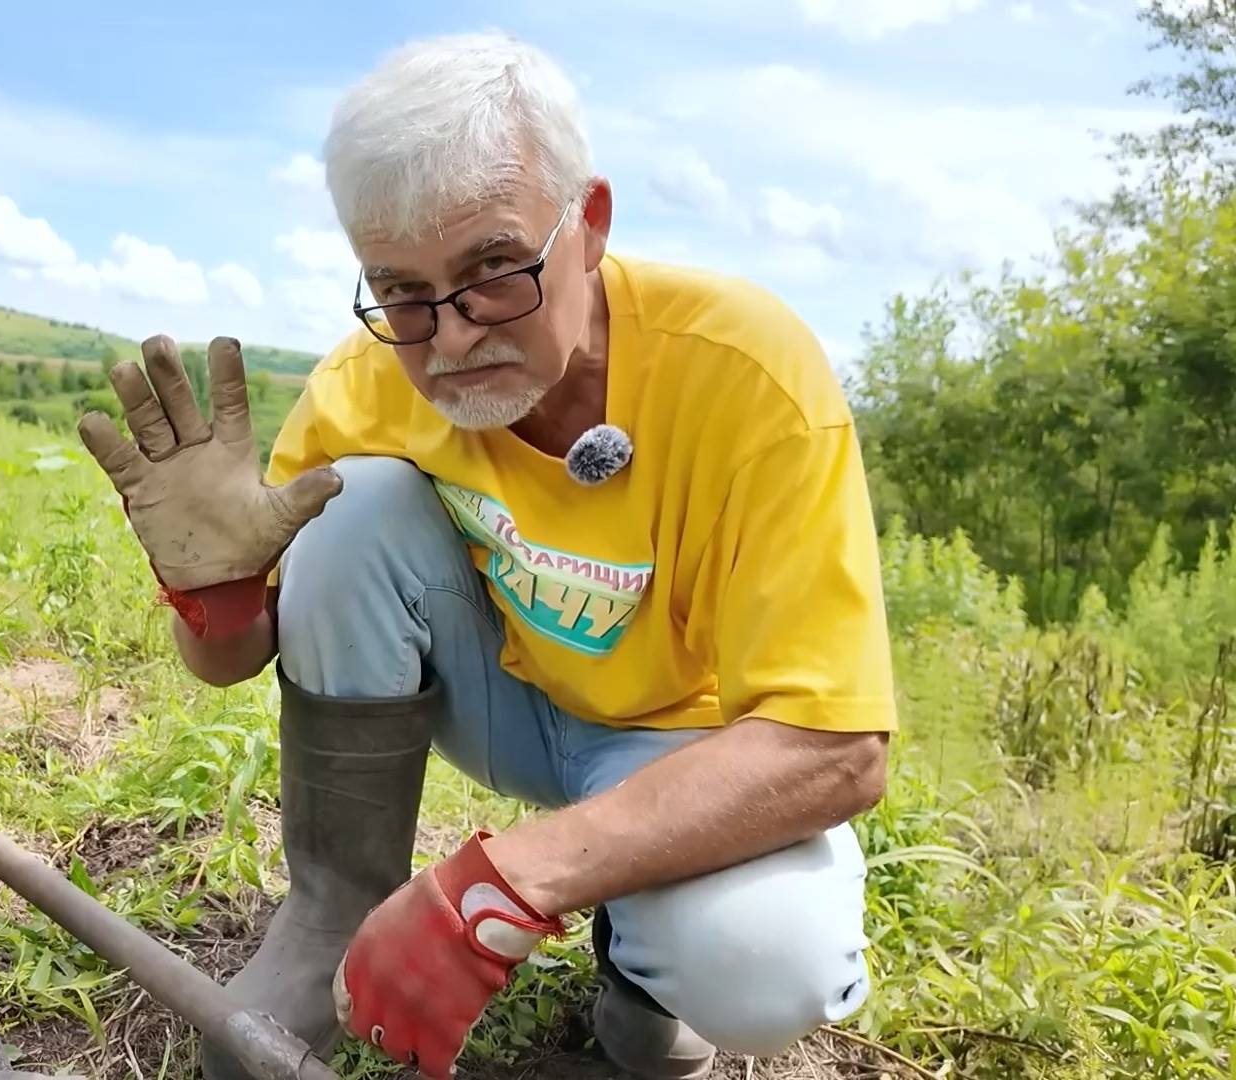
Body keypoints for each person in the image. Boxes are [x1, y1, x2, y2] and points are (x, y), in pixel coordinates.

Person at [75, 30, 897, 1080]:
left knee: (764, 966)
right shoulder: (368, 384)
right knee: (352, 502)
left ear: (588, 226)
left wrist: (509, 880)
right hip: (503, 701)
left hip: (679, 745)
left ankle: (646, 991)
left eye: (494, 273)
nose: (451, 338)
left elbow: (836, 748)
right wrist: (216, 594)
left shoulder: (745, 374)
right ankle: (337, 903)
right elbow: (231, 662)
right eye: (403, 294)